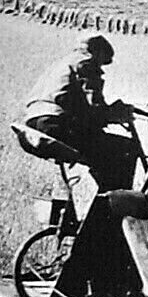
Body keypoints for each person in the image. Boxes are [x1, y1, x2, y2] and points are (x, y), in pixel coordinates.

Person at [20, 35, 137, 192]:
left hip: (35, 124)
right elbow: (94, 105)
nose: (101, 67)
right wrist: (114, 113)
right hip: (57, 124)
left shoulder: (62, 63)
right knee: (126, 148)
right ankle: (114, 209)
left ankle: (102, 202)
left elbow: (78, 106)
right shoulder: (86, 63)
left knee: (102, 151)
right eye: (102, 61)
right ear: (99, 53)